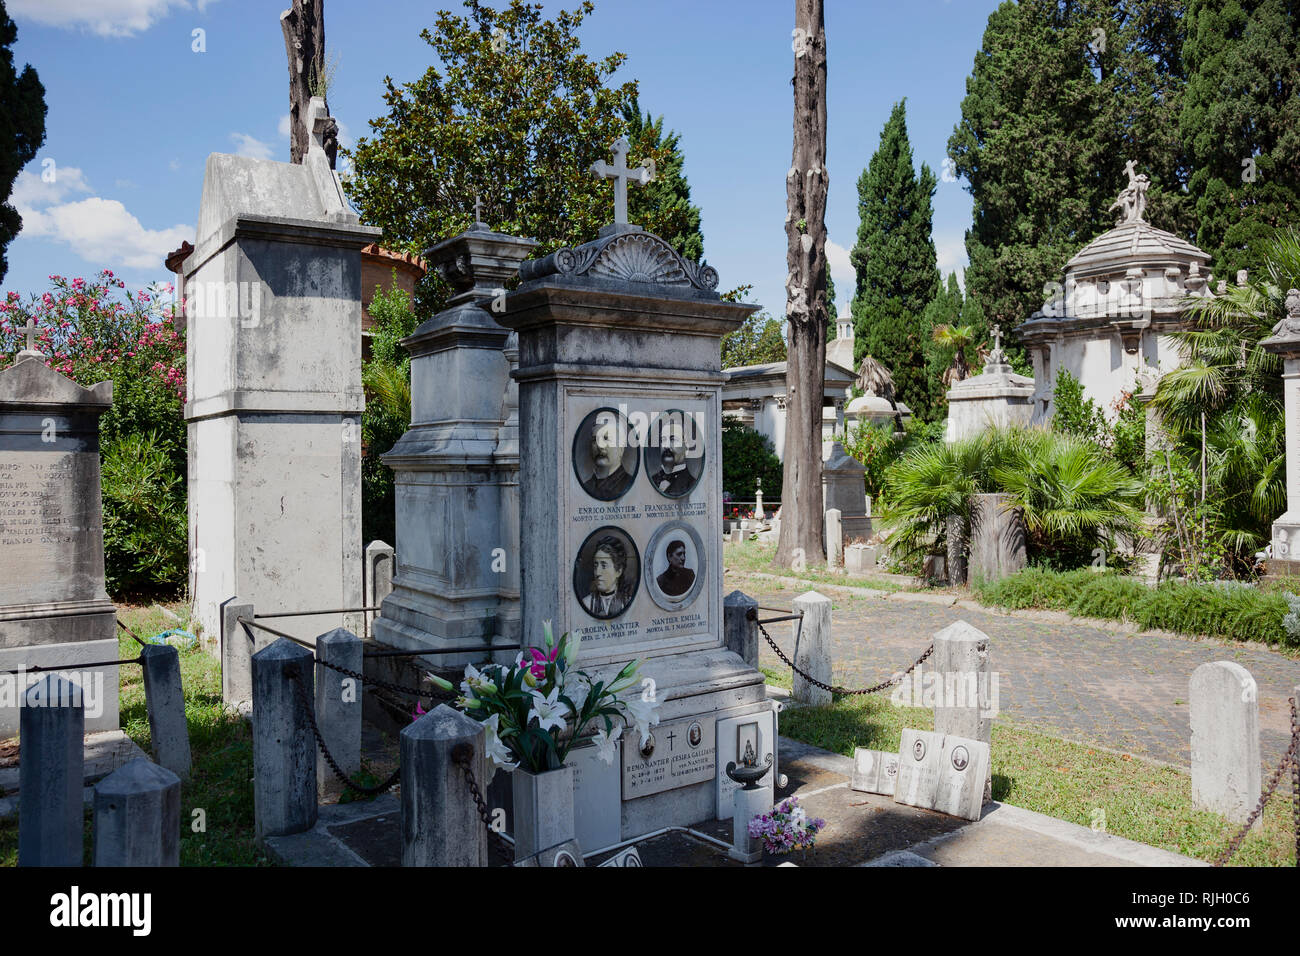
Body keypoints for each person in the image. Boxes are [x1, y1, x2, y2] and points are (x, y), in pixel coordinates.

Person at [580, 412, 634, 500]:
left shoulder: (629, 484)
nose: (599, 445)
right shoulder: (586, 486)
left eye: (606, 438)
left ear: (621, 448)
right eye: (594, 440)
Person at [582, 535, 633, 617]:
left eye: (604, 566)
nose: (597, 573)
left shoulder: (627, 602)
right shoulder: (587, 603)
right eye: (595, 566)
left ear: (618, 571)